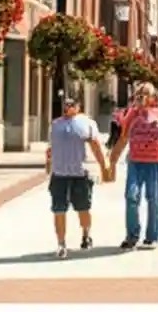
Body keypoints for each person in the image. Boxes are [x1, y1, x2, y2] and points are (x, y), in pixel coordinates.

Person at [109, 83, 158, 250]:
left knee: (154, 199)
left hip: (156, 162)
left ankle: (152, 237)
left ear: (153, 96)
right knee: (131, 196)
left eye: (145, 93)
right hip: (135, 161)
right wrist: (111, 161)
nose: (141, 96)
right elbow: (124, 137)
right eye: (139, 93)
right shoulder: (131, 114)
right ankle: (132, 235)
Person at [46, 96, 111, 259]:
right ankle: (61, 244)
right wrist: (48, 167)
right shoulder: (55, 125)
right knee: (58, 210)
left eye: (71, 104)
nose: (67, 107)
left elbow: (95, 146)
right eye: (65, 104)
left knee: (83, 208)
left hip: (81, 173)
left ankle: (86, 234)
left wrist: (104, 166)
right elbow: (51, 149)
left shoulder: (87, 123)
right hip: (59, 174)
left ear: (78, 106)